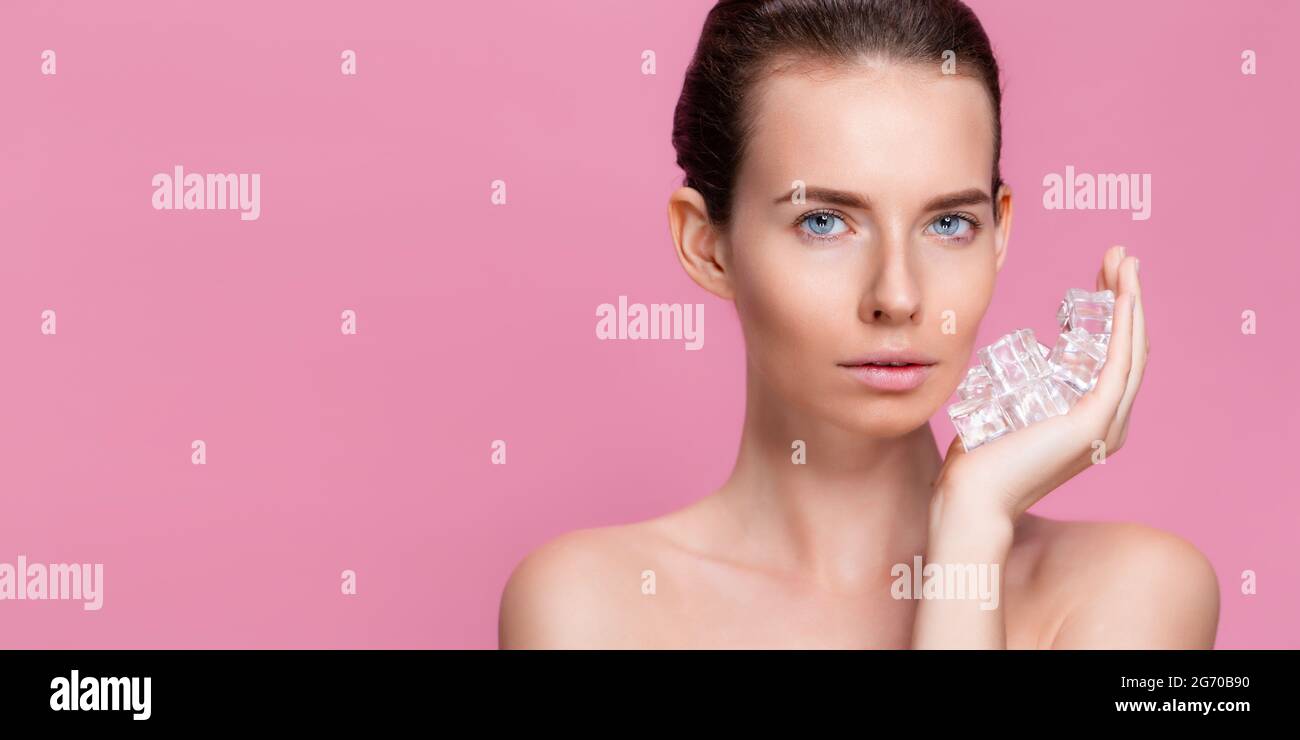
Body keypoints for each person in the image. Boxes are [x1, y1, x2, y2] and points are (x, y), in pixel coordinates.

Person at [499, 0, 1217, 649]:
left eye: (948, 223)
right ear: (705, 244)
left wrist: (970, 528)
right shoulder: (589, 608)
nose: (897, 297)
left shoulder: (1135, 592)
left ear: (999, 233)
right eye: (824, 221)